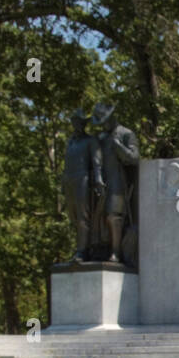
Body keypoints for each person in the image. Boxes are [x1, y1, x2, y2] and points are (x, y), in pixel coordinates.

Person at [91, 102, 140, 267]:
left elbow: (134, 158)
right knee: (99, 220)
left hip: (118, 181)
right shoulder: (100, 139)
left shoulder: (126, 134)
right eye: (101, 123)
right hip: (101, 183)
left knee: (114, 216)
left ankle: (116, 253)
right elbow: (95, 161)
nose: (104, 125)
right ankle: (100, 250)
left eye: (105, 121)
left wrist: (118, 146)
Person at [62, 109, 104, 262]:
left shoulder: (90, 141)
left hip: (83, 178)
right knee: (72, 216)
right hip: (69, 180)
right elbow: (66, 164)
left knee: (82, 216)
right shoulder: (70, 142)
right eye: (75, 121)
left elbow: (97, 161)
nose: (77, 124)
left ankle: (82, 251)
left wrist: (99, 179)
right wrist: (63, 183)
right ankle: (79, 247)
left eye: (79, 122)